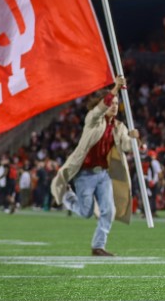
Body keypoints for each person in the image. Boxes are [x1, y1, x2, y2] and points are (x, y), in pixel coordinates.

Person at [51, 75, 137, 256]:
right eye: (111, 103)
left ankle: (98, 246)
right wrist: (115, 88)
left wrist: (135, 139)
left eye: (116, 103)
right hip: (85, 174)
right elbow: (99, 111)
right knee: (86, 212)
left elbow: (126, 146)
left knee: (108, 211)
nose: (114, 106)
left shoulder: (119, 126)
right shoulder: (92, 120)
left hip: (103, 174)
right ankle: (68, 197)